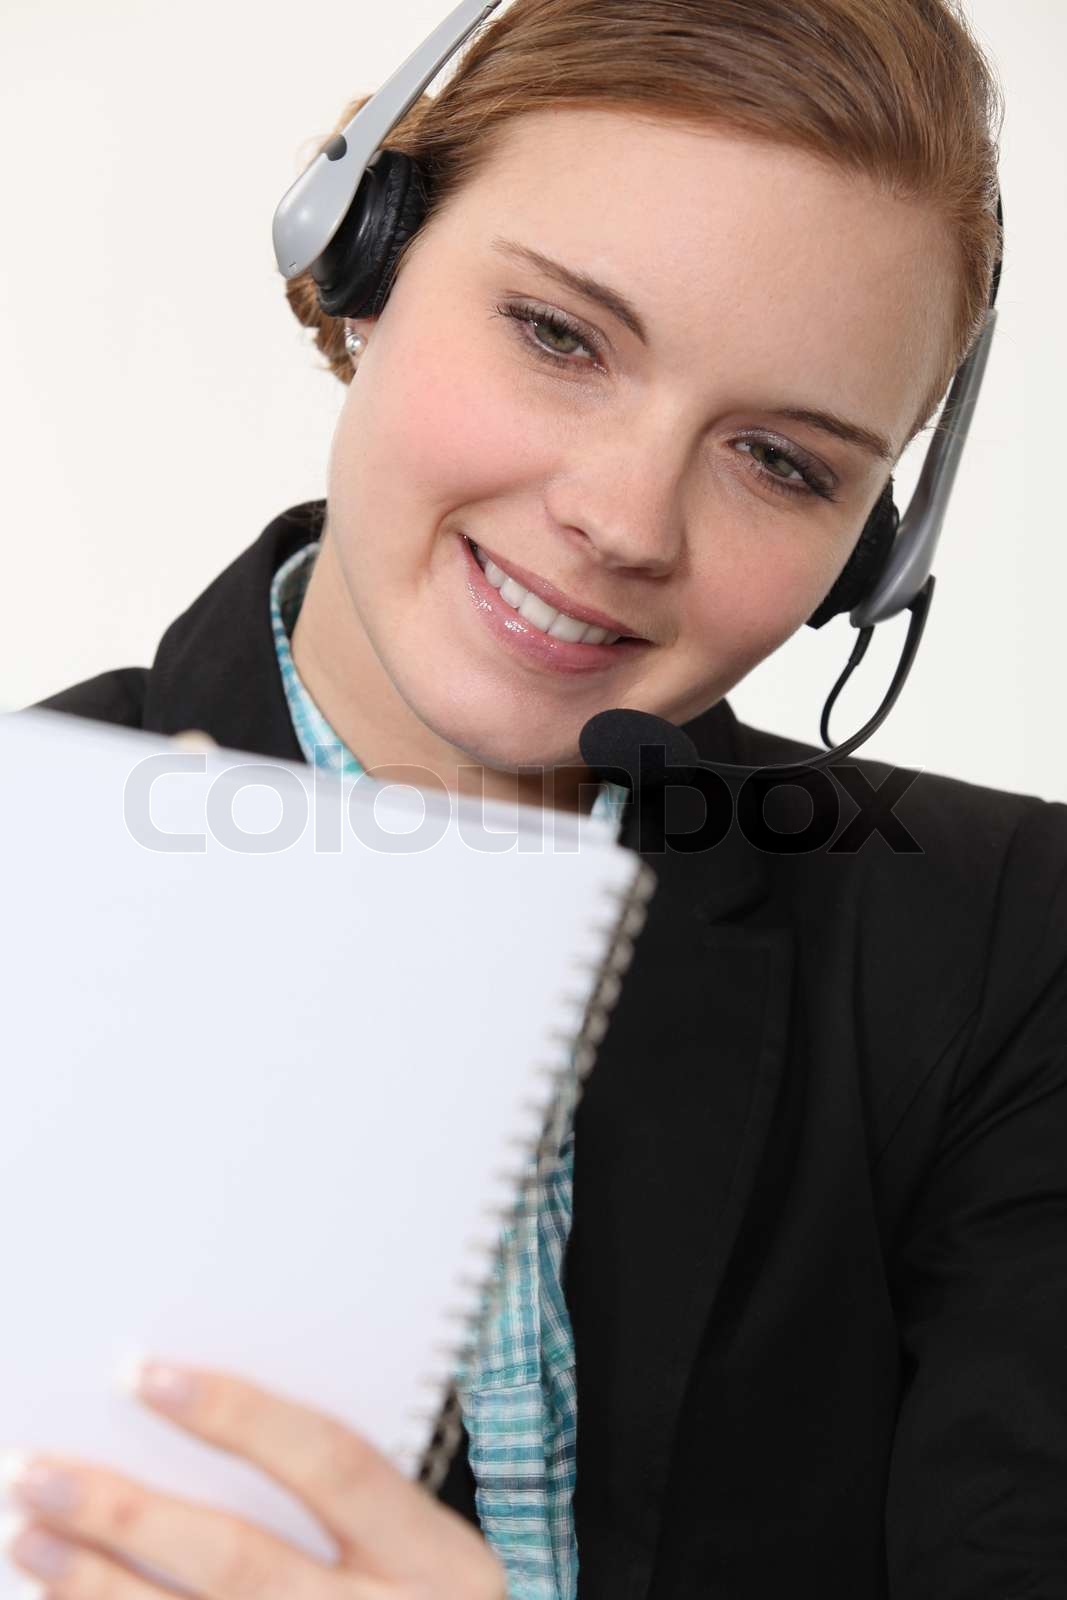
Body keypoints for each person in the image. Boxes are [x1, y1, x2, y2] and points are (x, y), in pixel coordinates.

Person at [7, 0, 1066, 1596]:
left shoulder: (1002, 943)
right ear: (357, 260)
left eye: (783, 459)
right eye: (560, 336)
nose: (627, 520)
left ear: (876, 554)